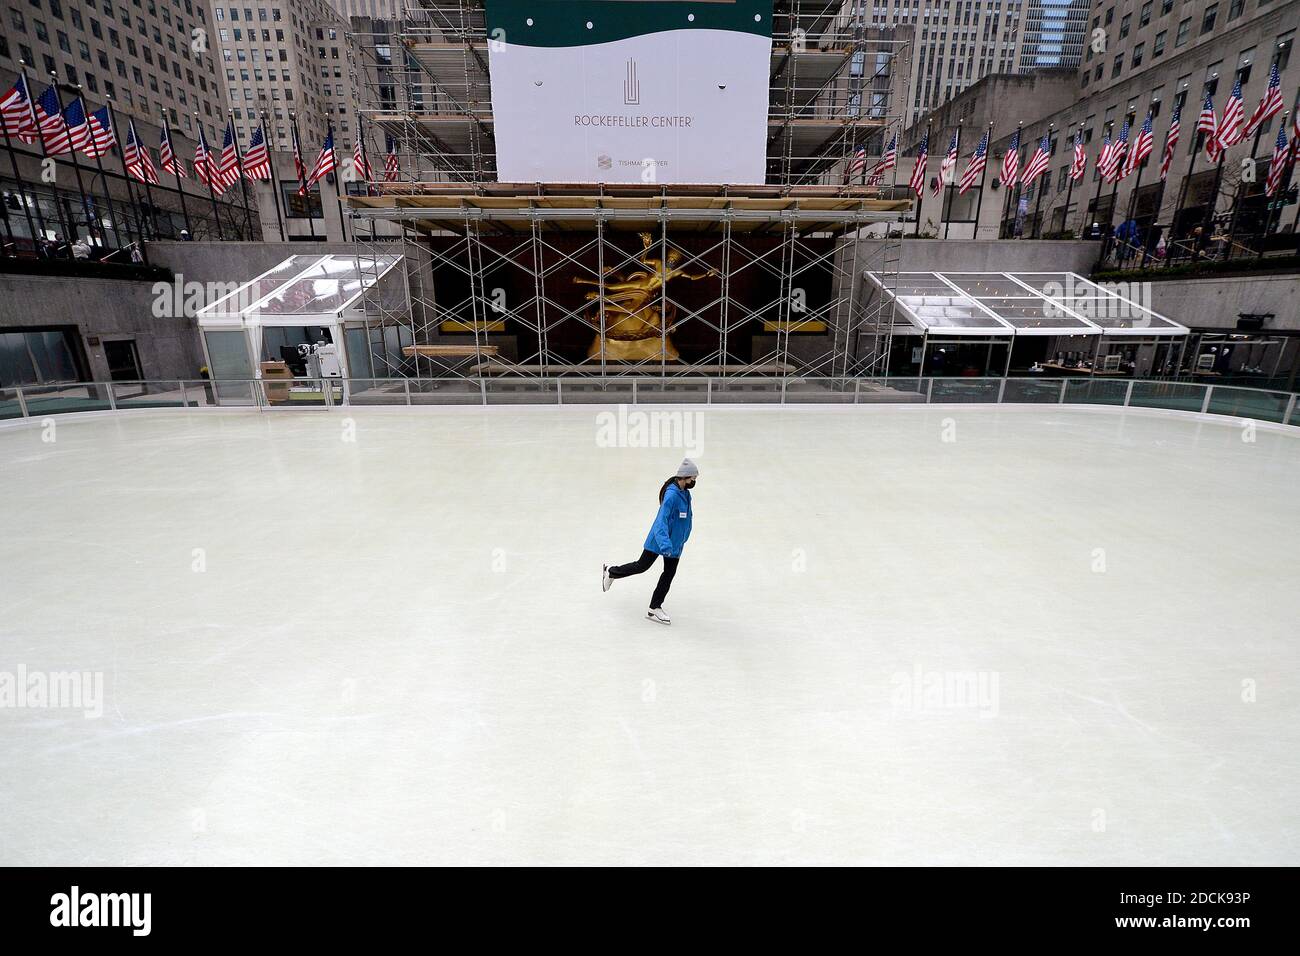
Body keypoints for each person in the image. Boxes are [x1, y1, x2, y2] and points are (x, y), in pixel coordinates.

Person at [603, 458, 697, 625]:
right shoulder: (671, 496)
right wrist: (666, 544)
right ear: (684, 477)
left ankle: (655, 607)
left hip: (674, 543)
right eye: (692, 479)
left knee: (668, 574)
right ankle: (611, 572)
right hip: (660, 541)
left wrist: (684, 537)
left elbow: (687, 518)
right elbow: (661, 522)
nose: (694, 482)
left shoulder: (685, 494)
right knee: (642, 566)